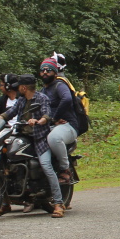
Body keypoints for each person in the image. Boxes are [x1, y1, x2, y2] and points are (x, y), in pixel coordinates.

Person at [9, 74, 65, 218]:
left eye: (19, 87)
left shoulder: (42, 98)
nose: (18, 90)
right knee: (7, 162)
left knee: (46, 165)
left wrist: (39, 120)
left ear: (23, 87)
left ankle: (59, 203)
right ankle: (3, 203)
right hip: (23, 138)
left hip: (39, 139)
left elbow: (47, 114)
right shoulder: (21, 100)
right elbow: (11, 112)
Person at [38, 57, 78, 186]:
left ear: (55, 73)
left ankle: (65, 169)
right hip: (50, 126)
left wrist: (54, 118)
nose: (45, 72)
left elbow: (66, 99)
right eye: (42, 70)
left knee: (54, 138)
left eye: (48, 70)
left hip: (68, 125)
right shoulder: (42, 91)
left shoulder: (60, 86)